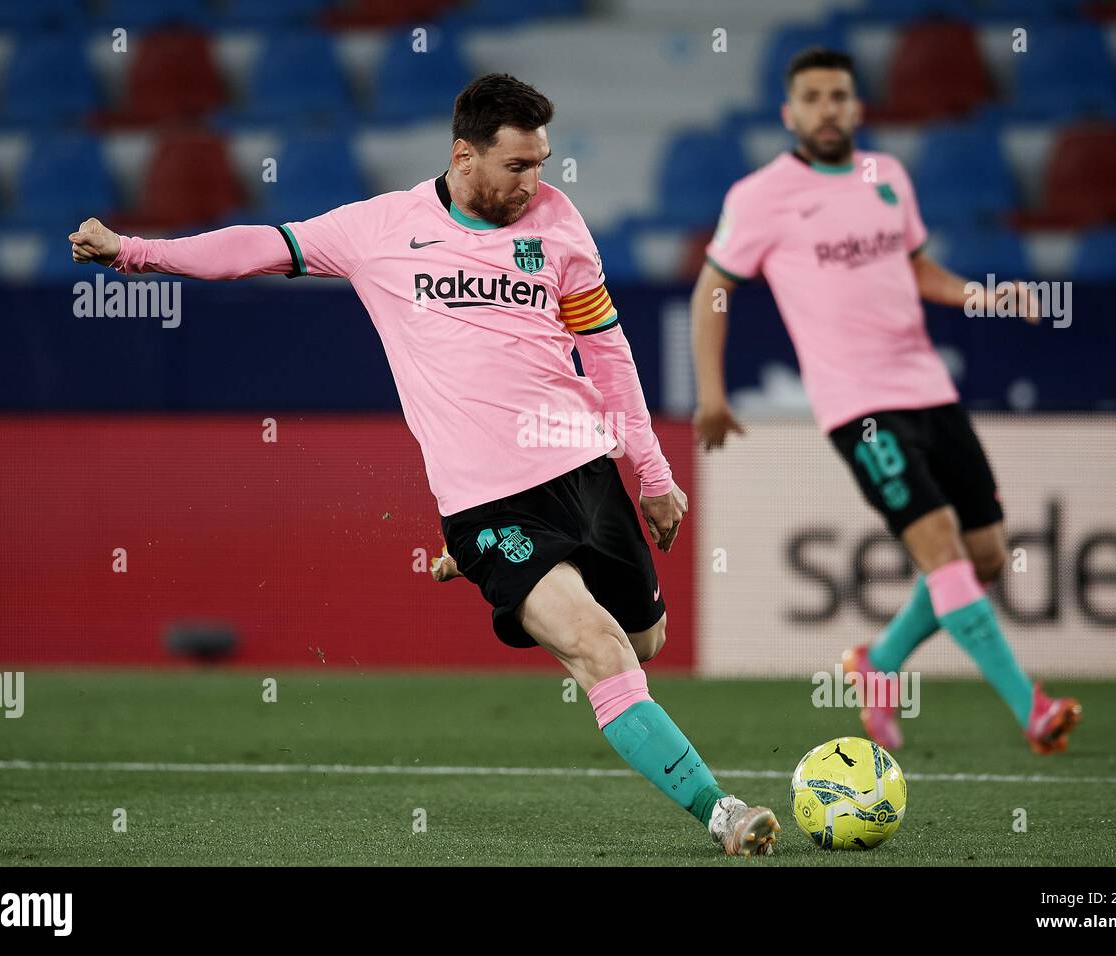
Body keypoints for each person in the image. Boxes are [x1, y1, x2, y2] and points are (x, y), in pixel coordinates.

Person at [71, 73, 779, 854]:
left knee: (643, 642)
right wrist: (136, 252)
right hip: (488, 501)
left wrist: (650, 472)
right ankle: (724, 814)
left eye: (541, 163)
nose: (533, 182)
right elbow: (263, 247)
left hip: (584, 471)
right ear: (464, 156)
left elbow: (608, 355)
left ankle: (487, 564)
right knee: (601, 653)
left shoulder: (561, 225)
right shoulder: (382, 227)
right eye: (517, 166)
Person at [690, 48, 1080, 755]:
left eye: (839, 95)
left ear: (857, 107)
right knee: (942, 553)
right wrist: (711, 395)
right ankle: (1032, 707)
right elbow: (712, 289)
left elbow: (919, 269)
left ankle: (879, 664)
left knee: (987, 555)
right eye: (812, 97)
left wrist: (981, 296)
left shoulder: (888, 177)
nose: (828, 108)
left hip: (929, 389)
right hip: (857, 405)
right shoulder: (761, 196)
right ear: (790, 113)